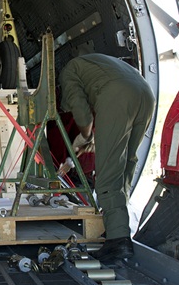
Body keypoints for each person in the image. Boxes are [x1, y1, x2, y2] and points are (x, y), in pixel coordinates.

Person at [58, 53, 155, 263]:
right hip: (146, 95)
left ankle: (118, 240)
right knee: (127, 162)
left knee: (108, 171)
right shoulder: (98, 64)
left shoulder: (69, 70)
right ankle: (116, 226)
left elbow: (82, 113)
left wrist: (85, 136)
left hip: (118, 96)